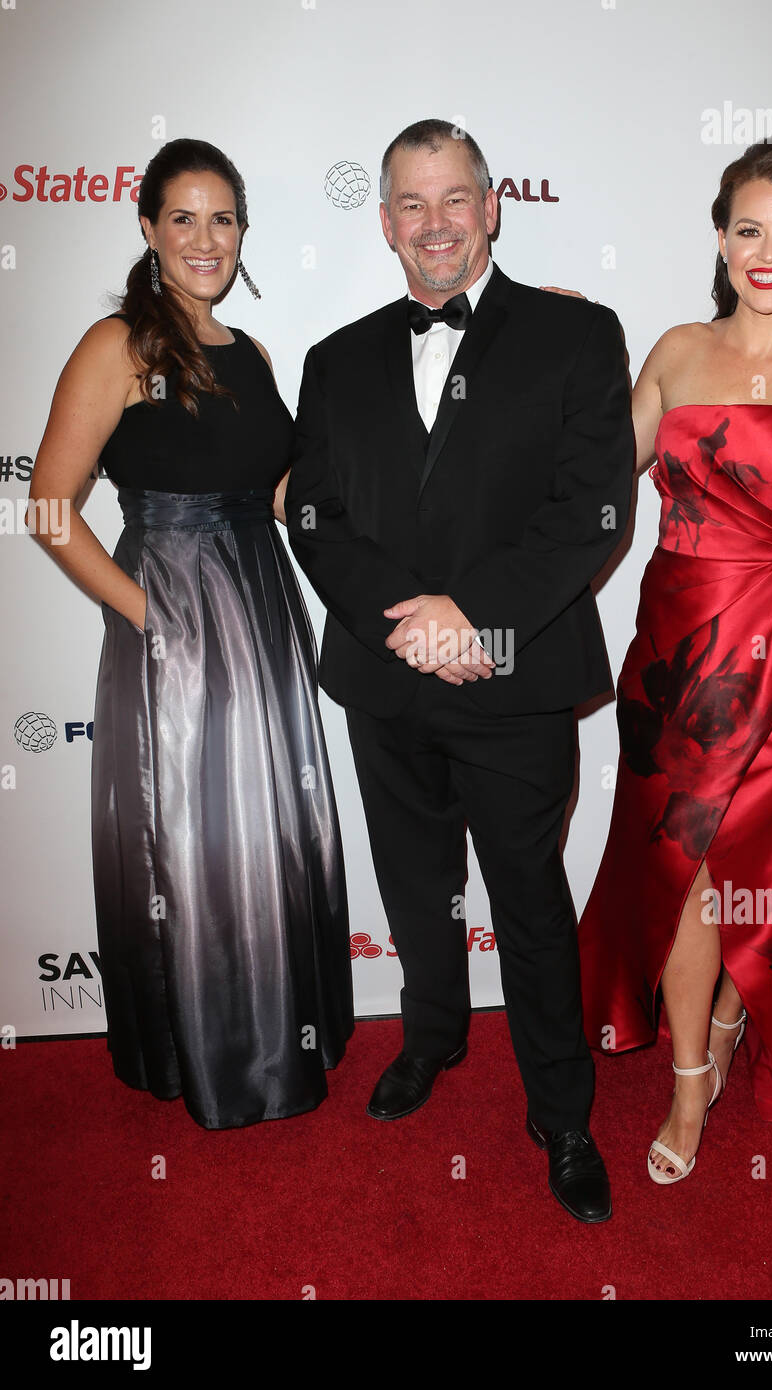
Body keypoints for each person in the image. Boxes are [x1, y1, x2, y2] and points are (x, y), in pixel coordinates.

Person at [284, 118, 633, 1222]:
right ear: (384, 221)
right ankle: (429, 1035)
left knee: (528, 899)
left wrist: (470, 617)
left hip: (513, 678)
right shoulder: (333, 359)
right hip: (388, 680)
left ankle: (561, 1112)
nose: (433, 225)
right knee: (416, 887)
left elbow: (592, 510)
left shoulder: (574, 337)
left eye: (453, 199)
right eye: (410, 204)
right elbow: (316, 517)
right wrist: (411, 622)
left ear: (491, 206)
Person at [576, 137, 772, 1183]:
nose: (768, 252)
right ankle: (703, 1041)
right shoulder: (672, 350)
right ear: (719, 238)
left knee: (735, 876)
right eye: (747, 229)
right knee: (684, 870)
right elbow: (596, 484)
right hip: (673, 652)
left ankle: (689, 1079)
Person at [29, 138, 353, 1130]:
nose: (205, 238)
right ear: (148, 230)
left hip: (260, 604)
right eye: (184, 218)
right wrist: (147, 614)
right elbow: (48, 506)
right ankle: (211, 1054)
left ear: (243, 232)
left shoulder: (251, 355)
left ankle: (278, 1034)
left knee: (266, 830)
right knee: (193, 839)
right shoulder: (116, 344)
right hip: (171, 612)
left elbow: (288, 492)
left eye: (223, 219)